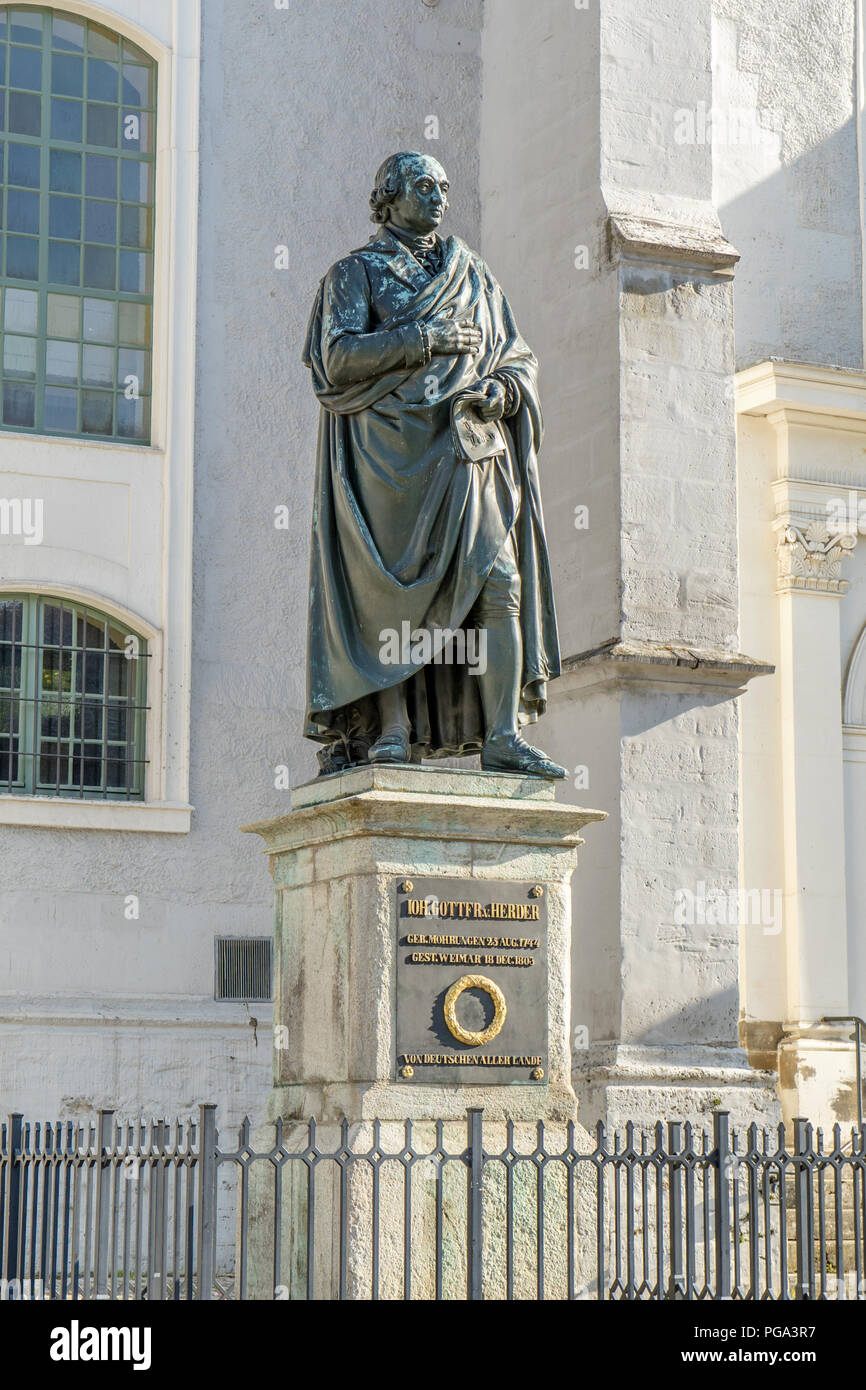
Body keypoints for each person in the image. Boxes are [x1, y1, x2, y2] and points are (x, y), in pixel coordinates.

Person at [302, 151, 566, 779]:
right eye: (424, 186)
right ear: (388, 197)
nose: (440, 197)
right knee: (388, 594)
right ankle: (391, 728)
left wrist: (501, 392)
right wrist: (426, 340)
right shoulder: (355, 273)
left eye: (444, 187)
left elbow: (516, 355)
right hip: (388, 458)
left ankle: (502, 734)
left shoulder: (472, 272)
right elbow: (335, 359)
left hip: (468, 452)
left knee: (500, 583)